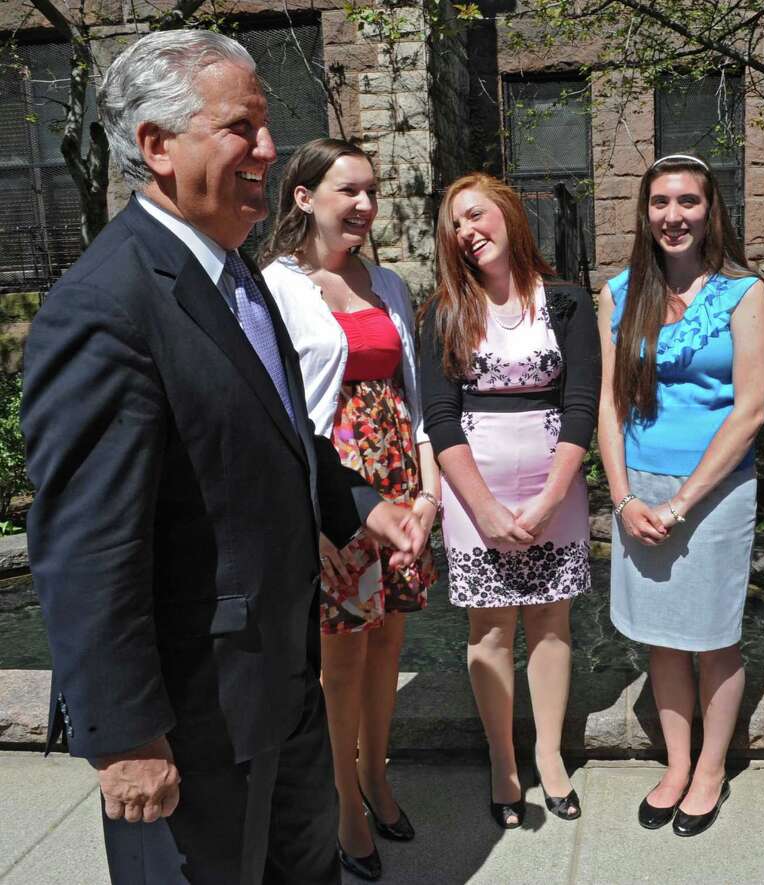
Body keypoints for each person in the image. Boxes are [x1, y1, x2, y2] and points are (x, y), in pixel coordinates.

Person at [21, 30, 421, 885]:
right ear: (157, 147)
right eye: (243, 126)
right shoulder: (105, 306)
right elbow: (87, 544)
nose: (270, 151)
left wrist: (356, 501)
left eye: (267, 126)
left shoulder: (234, 274)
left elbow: (268, 435)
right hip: (189, 726)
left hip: (281, 692)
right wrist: (126, 736)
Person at [259, 138, 438, 881]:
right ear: (303, 196)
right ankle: (345, 799)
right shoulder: (273, 287)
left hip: (398, 480)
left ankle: (377, 772)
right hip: (337, 488)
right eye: (349, 191)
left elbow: (416, 399)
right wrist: (315, 519)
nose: (366, 205)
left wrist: (428, 494)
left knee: (389, 641)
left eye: (372, 190)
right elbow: (277, 412)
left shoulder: (389, 283)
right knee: (342, 655)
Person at [598, 154, 764, 838]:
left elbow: (751, 410)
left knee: (714, 636)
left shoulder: (744, 294)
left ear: (710, 210)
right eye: (661, 202)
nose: (674, 215)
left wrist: (679, 504)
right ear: (645, 213)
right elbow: (609, 406)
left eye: (688, 201)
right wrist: (620, 497)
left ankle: (711, 767)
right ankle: (676, 762)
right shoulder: (619, 293)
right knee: (663, 639)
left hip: (716, 491)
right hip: (638, 489)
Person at [419, 172, 599, 829]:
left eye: (474, 215)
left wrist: (552, 498)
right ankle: (504, 760)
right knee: (490, 630)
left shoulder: (567, 302)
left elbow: (581, 404)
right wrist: (484, 509)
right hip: (474, 497)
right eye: (454, 226)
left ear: (508, 213)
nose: (466, 232)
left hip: (555, 490)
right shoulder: (442, 311)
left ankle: (549, 754)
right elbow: (440, 418)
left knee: (552, 624)